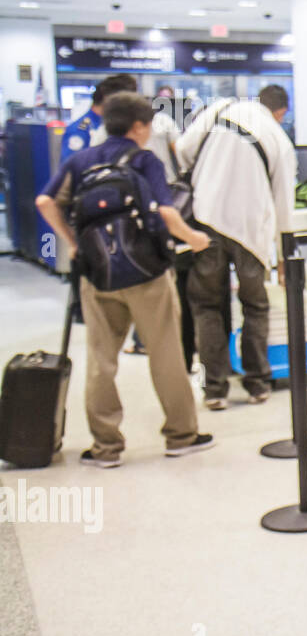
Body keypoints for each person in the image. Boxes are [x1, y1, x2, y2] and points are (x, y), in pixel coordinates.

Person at [35, 92, 215, 468]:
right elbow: (166, 212)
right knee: (166, 353)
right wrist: (195, 239)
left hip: (97, 275)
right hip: (147, 273)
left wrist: (71, 245)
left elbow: (45, 202)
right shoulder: (144, 161)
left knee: (102, 360)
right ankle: (181, 436)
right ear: (138, 126)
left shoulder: (80, 161)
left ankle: (105, 448)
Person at [175, 85, 297, 410]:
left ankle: (214, 389)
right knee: (255, 306)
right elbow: (285, 204)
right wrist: (285, 257)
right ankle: (257, 382)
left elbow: (183, 151)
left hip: (206, 223)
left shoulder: (218, 110)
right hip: (251, 233)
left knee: (206, 306)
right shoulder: (279, 139)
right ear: (281, 112)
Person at [61, 74, 137, 161]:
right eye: (125, 101)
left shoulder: (117, 125)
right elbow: (71, 167)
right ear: (108, 98)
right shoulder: (81, 129)